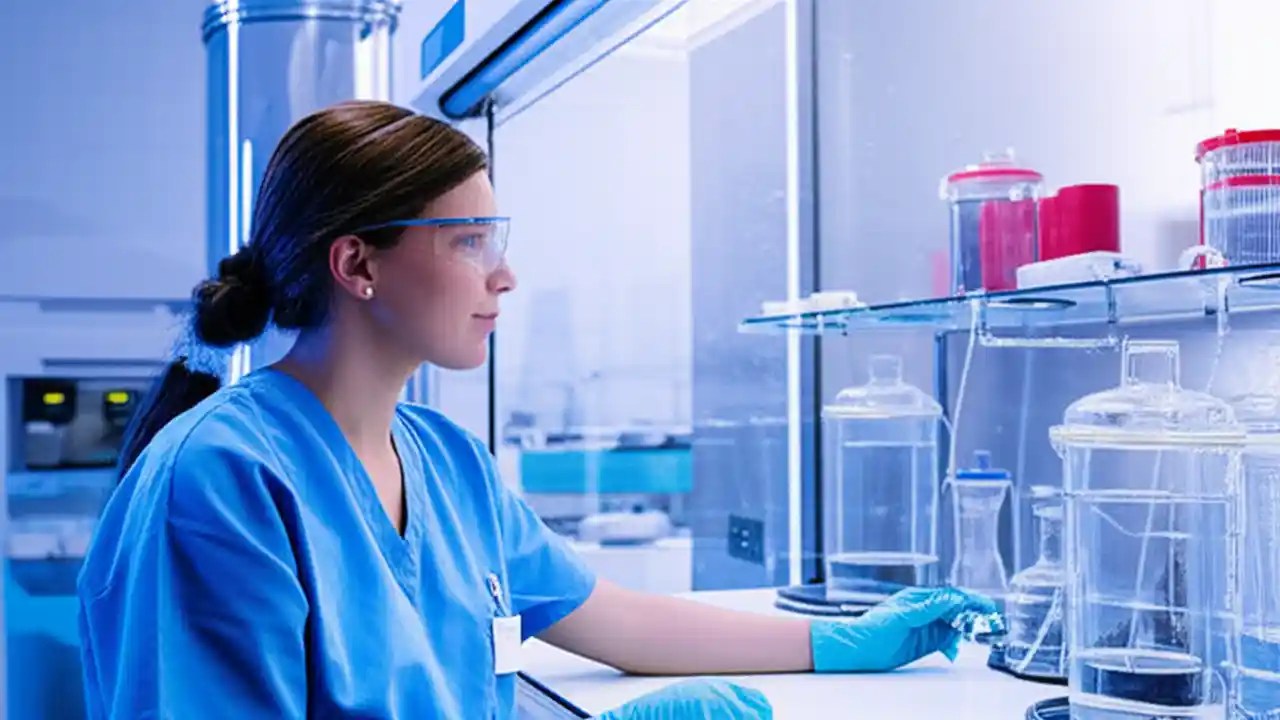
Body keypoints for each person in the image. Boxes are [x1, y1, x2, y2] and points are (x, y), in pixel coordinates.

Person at [77, 100, 997, 720]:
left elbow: (616, 622)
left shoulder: (443, 459)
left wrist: (845, 643)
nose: (505, 275)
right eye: (469, 240)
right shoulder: (219, 484)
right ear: (357, 265)